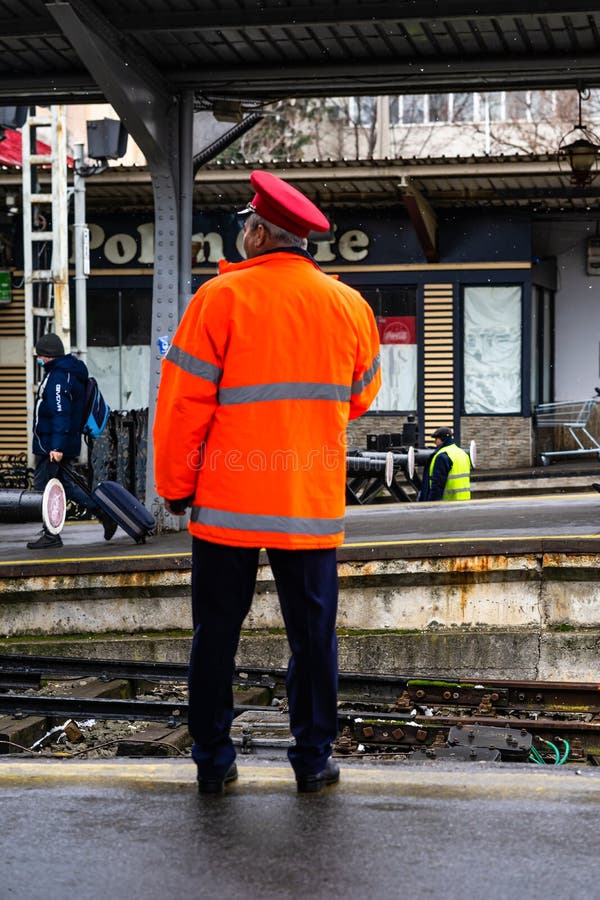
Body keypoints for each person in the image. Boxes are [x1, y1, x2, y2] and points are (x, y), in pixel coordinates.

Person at [153, 170, 381, 794]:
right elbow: (360, 398)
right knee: (313, 638)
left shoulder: (218, 301)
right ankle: (313, 761)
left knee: (216, 636)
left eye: (245, 227)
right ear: (301, 242)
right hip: (307, 503)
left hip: (228, 504)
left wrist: (176, 487)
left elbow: (181, 407)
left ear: (257, 233)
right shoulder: (349, 306)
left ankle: (215, 762)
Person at [27, 332, 117, 549]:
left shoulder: (59, 376)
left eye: (39, 355)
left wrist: (56, 446)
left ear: (47, 356)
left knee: (44, 489)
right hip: (54, 442)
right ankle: (103, 512)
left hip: (52, 445)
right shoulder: (65, 372)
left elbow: (60, 413)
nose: (38, 359)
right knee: (67, 485)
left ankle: (51, 535)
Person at [418, 426, 471, 501]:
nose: (435, 442)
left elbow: (437, 484)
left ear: (442, 439)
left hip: (447, 503)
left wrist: (431, 503)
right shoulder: (463, 454)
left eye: (436, 439)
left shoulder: (442, 456)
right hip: (465, 500)